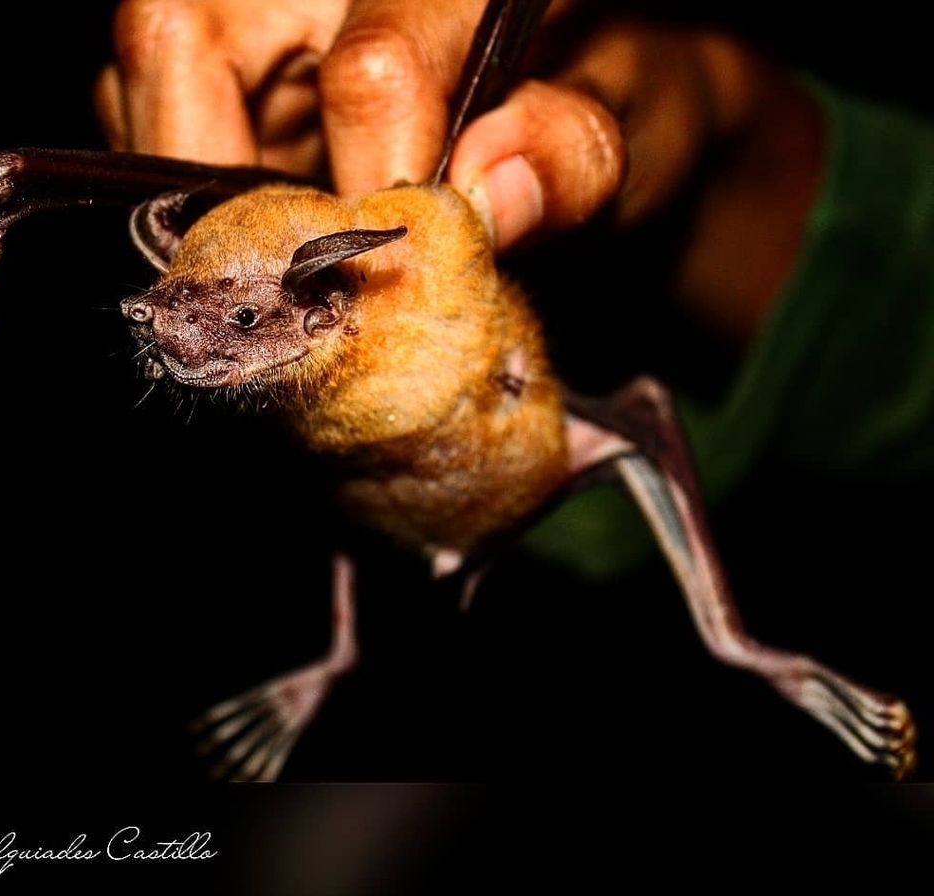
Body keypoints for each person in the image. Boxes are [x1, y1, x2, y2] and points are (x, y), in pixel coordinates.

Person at [92, 0, 932, 777]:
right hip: (391, 511)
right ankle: (333, 661)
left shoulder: (423, 279)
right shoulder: (318, 392)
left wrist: (721, 121)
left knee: (632, 430)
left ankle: (744, 647)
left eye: (243, 322)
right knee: (326, 487)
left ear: (324, 301)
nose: (188, 354)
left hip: (531, 453)